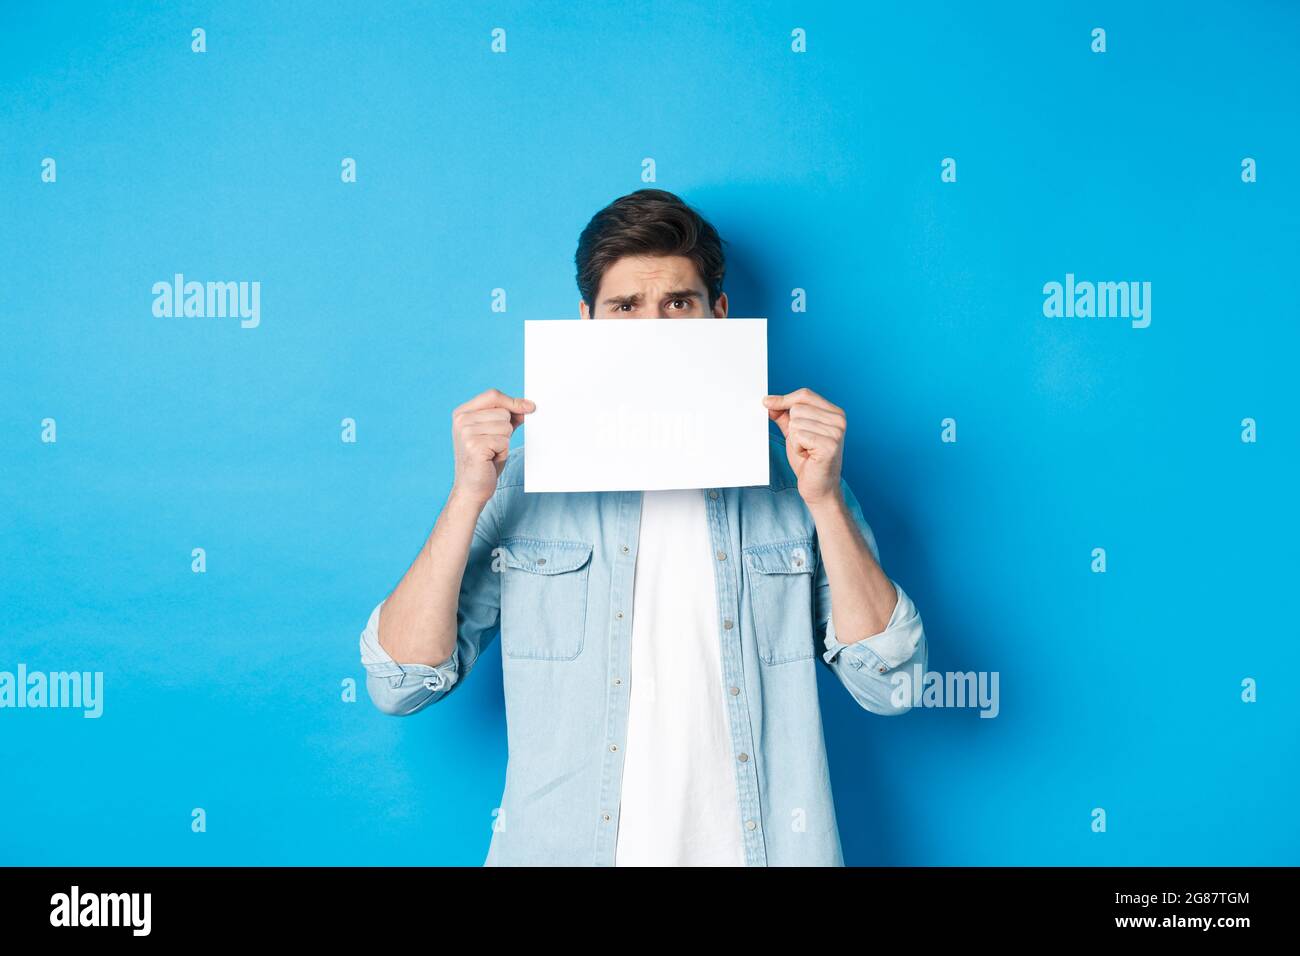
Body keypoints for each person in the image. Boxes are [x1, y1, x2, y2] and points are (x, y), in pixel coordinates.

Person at [358, 188, 928, 866]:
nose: (653, 328)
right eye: (625, 307)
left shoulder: (797, 480)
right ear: (587, 323)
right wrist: (466, 497)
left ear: (719, 315)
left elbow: (891, 685)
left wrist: (827, 502)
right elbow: (399, 683)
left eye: (678, 305)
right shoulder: (520, 480)